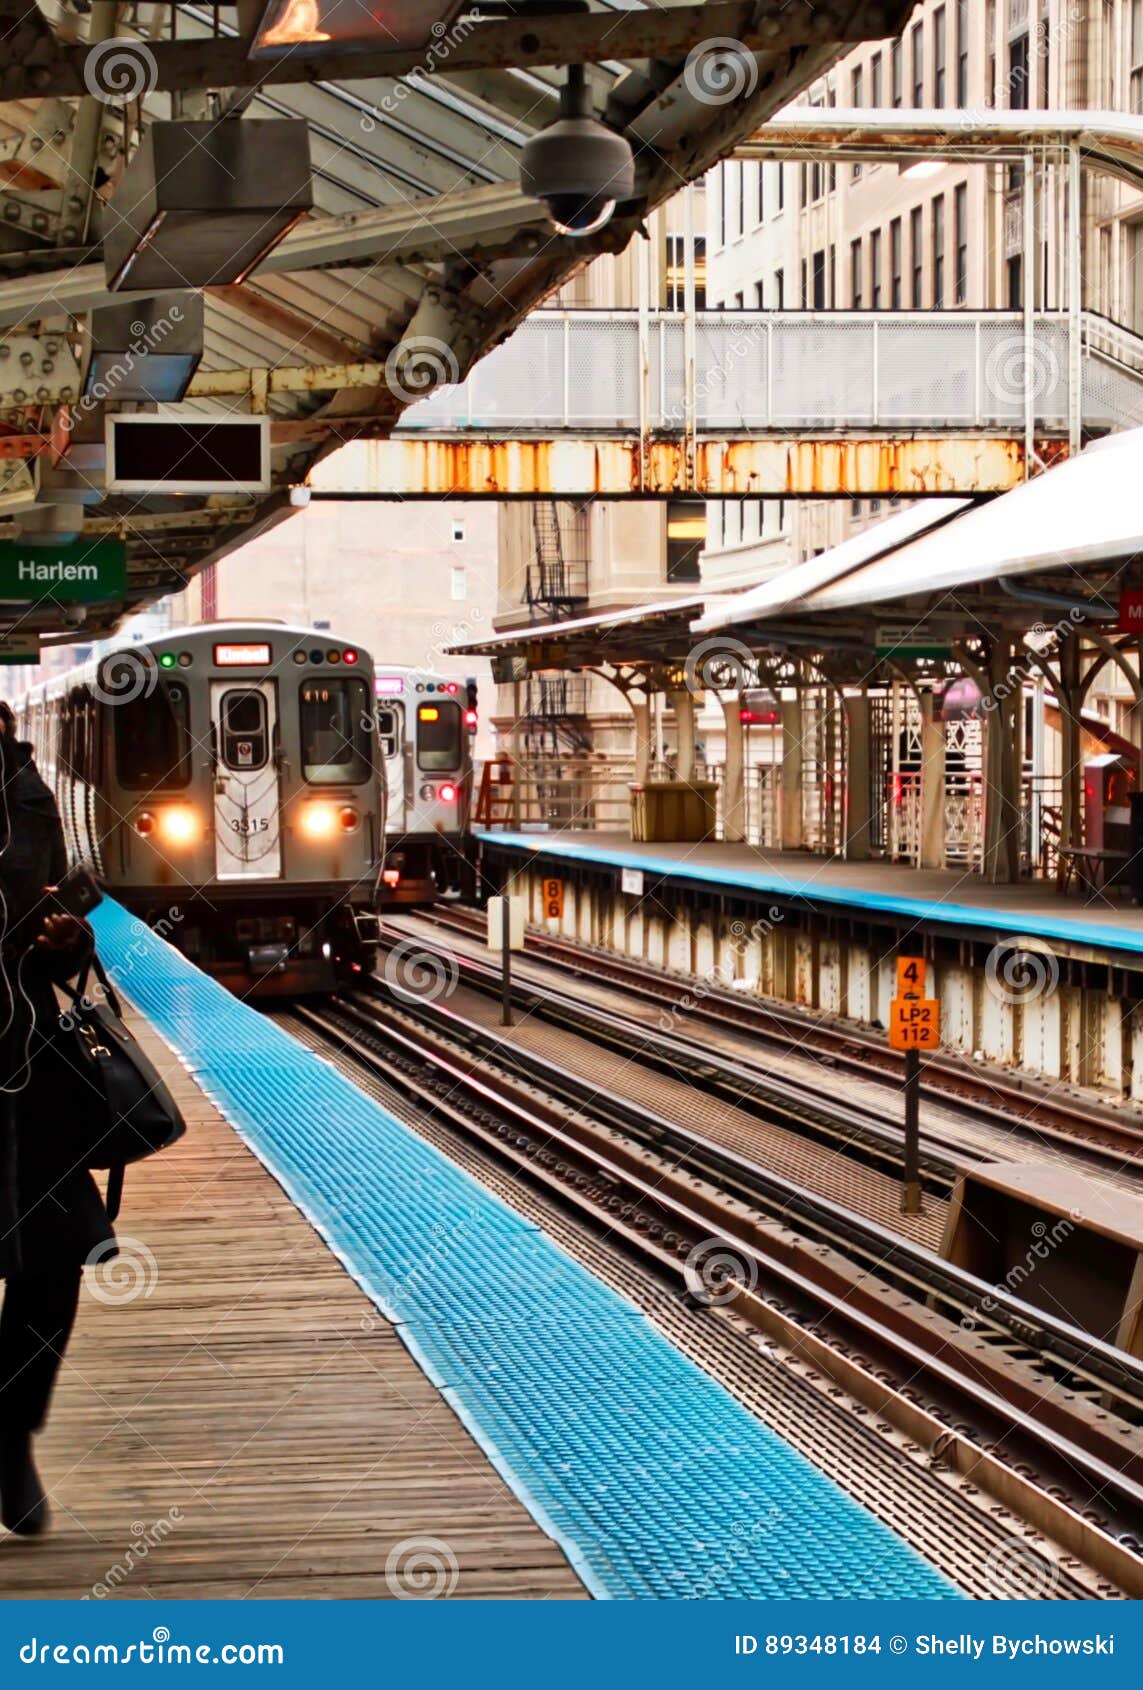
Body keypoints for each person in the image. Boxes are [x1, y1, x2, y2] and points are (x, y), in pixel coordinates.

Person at [0, 701, 114, 1536]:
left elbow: (48, 921)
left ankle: (10, 1438)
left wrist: (64, 940)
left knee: (52, 1260)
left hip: (29, 1068)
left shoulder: (24, 789)